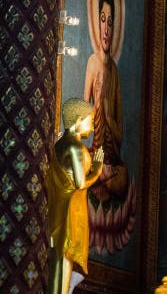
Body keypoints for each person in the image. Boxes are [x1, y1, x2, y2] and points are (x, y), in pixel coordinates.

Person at [46, 98, 104, 294]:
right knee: (65, 259)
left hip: (58, 208)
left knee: (58, 258)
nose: (93, 129)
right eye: (90, 121)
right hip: (71, 209)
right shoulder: (76, 147)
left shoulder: (59, 144)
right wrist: (96, 171)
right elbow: (80, 184)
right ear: (79, 120)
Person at [84, 0, 128, 200]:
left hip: (112, 151)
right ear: (95, 20)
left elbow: (120, 123)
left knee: (123, 178)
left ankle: (105, 175)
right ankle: (101, 175)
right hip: (97, 145)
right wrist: (97, 114)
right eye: (103, 20)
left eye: (111, 22)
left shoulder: (115, 70)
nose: (107, 29)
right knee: (93, 166)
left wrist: (111, 121)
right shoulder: (93, 62)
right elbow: (83, 108)